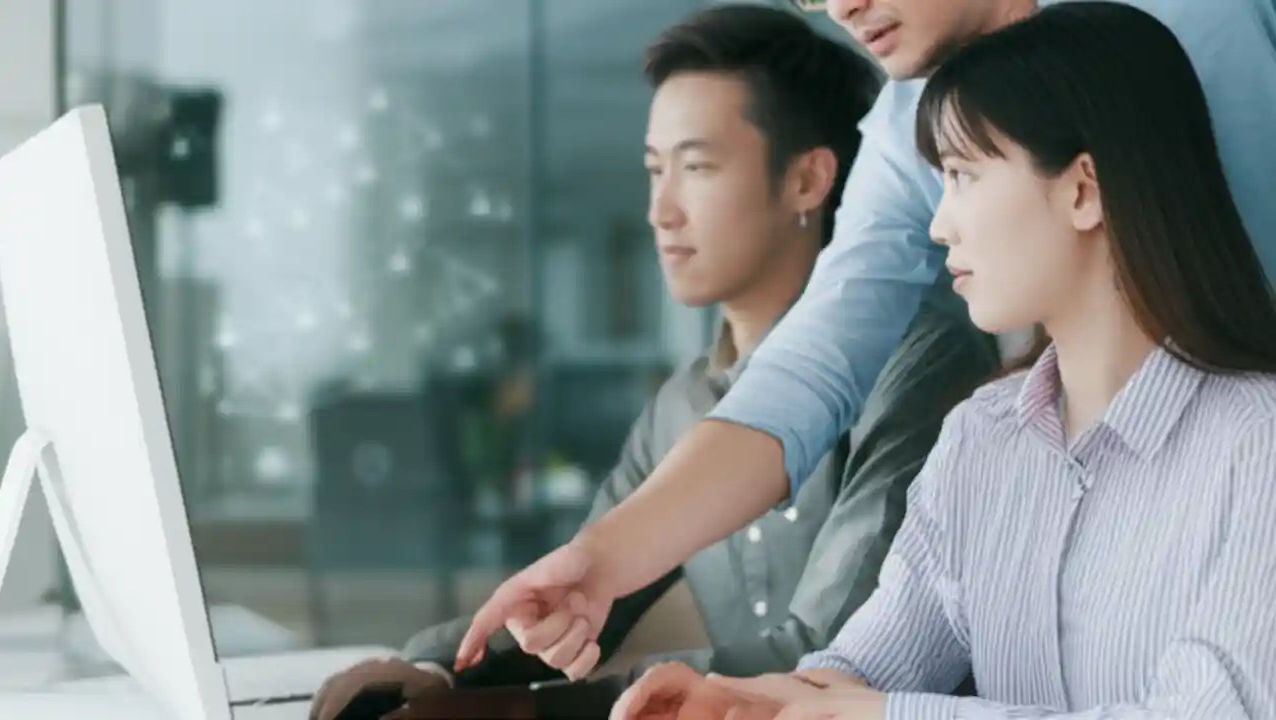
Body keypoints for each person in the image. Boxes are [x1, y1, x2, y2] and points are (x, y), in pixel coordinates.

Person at [455, 0, 1276, 683]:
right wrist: (604, 564)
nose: (841, 6)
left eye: (966, 176)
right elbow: (810, 371)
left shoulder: (1190, 30)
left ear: (1084, 186)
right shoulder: (986, 441)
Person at [309, 6, 996, 719]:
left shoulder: (927, 367)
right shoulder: (685, 404)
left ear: (807, 181)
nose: (660, 211)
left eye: (696, 167)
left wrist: (527, 709)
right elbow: (584, 590)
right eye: (653, 170)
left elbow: (835, 656)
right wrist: (437, 668)